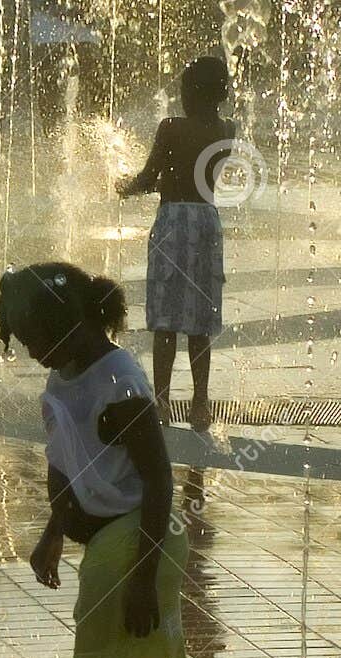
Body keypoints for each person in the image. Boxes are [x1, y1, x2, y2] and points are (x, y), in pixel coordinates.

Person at [0, 263, 188, 658]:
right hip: (109, 534)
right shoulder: (63, 377)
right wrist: (53, 533)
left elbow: (160, 479)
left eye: (35, 337)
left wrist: (142, 576)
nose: (30, 350)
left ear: (71, 324)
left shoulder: (120, 382)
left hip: (138, 535)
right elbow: (65, 464)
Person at [116, 55, 234, 430]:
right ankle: (200, 403)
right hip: (206, 223)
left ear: (189, 93)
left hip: (172, 224)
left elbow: (150, 178)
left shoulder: (170, 128)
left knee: (165, 320)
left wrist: (124, 186)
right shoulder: (228, 130)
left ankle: (162, 403)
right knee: (200, 321)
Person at [30, 1, 107, 131]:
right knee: (51, 85)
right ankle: (52, 133)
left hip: (84, 30)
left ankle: (97, 128)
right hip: (49, 30)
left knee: (94, 82)